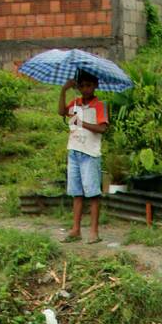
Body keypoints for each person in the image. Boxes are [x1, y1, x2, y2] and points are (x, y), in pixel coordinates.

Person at [58, 71, 109, 243]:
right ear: (77, 87)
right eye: (82, 86)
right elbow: (61, 112)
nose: (85, 89)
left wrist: (81, 123)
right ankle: (76, 229)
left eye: (89, 85)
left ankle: (94, 232)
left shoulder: (99, 105)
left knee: (93, 193)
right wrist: (64, 91)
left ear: (95, 86)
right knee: (76, 193)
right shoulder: (75, 103)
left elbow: (102, 128)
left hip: (90, 153)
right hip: (74, 150)